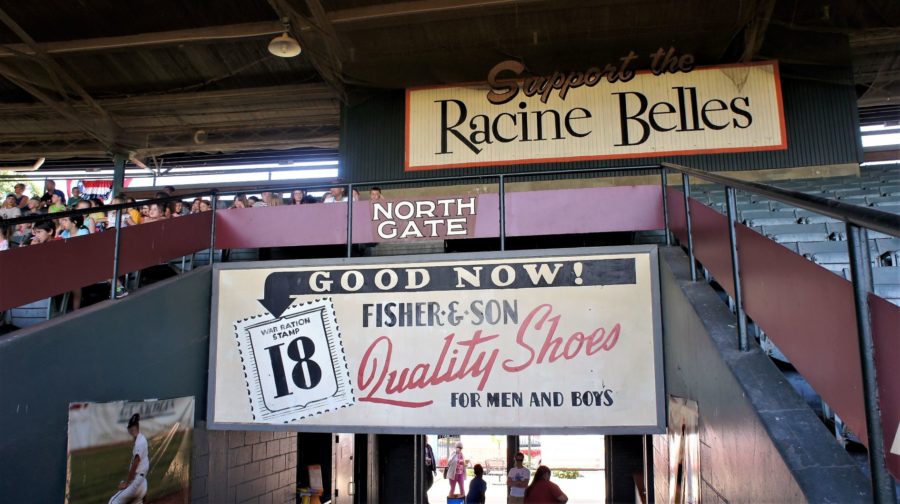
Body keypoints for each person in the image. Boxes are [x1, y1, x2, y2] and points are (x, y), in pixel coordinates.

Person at [109, 413, 149, 504]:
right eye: (131, 427)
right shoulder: (141, 439)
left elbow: (136, 463)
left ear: (137, 427)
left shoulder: (140, 442)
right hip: (142, 482)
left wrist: (127, 483)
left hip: (137, 481)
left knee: (112, 501)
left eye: (133, 427)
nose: (132, 429)